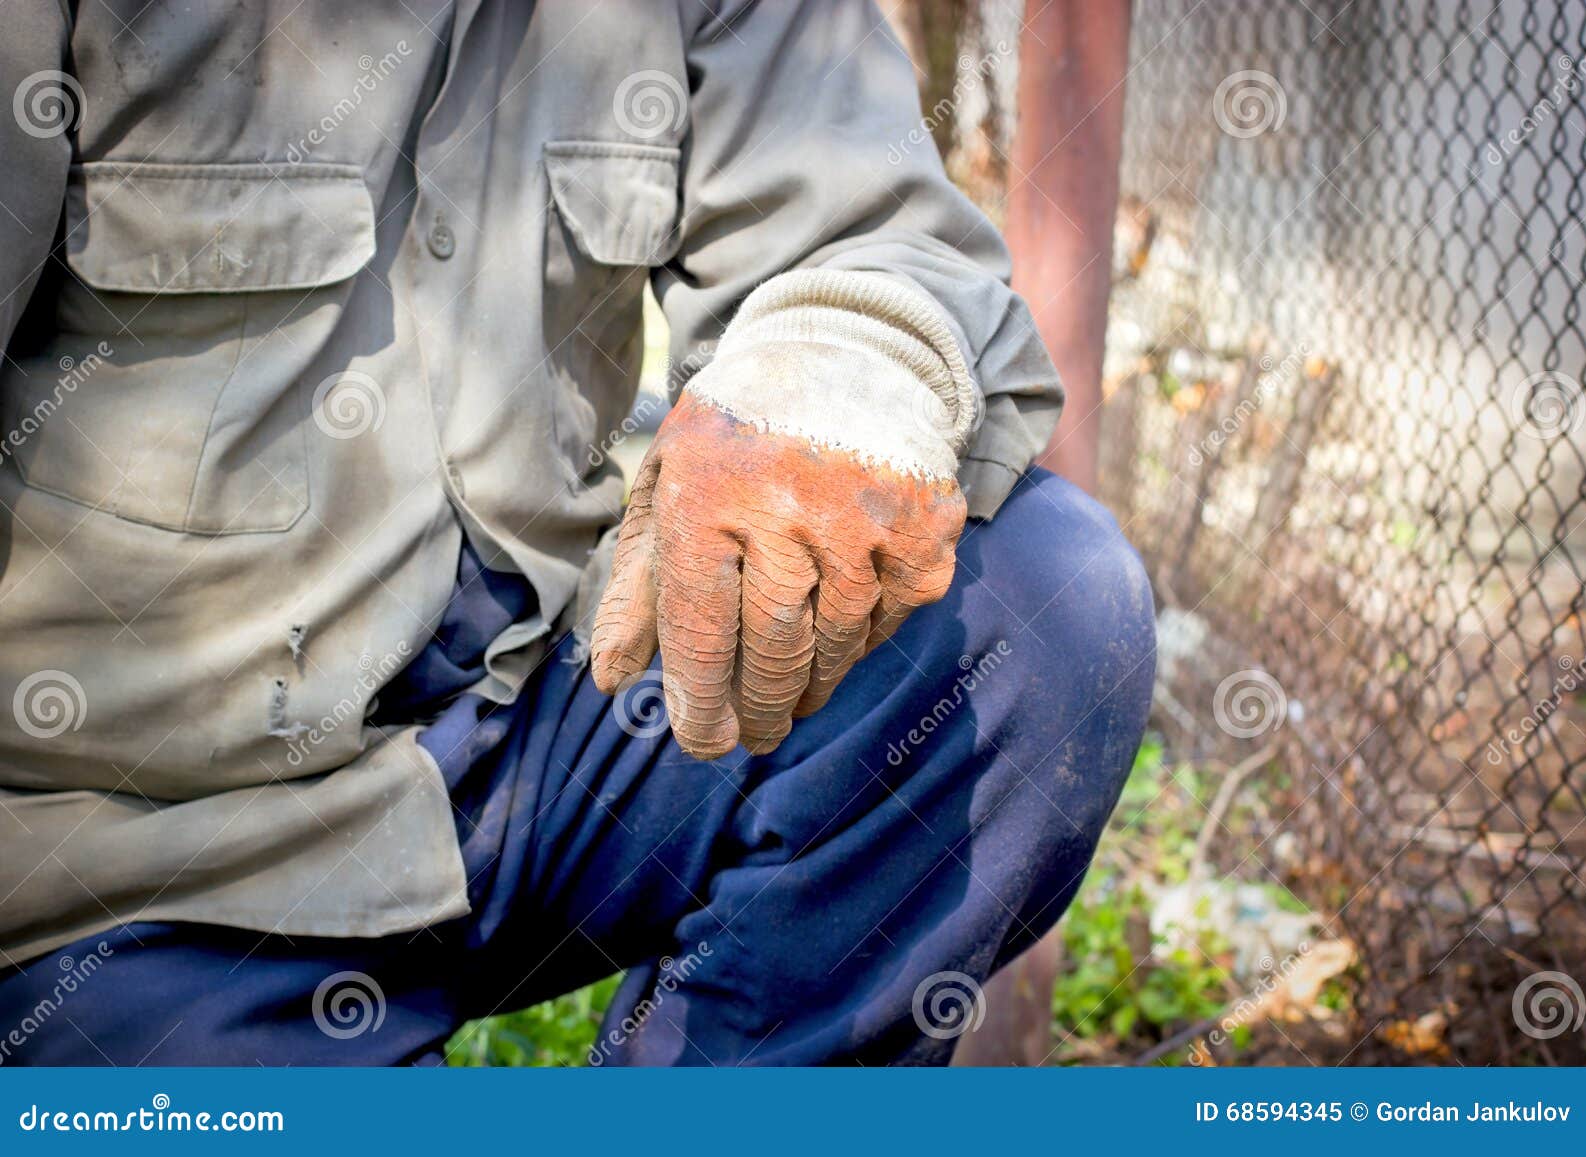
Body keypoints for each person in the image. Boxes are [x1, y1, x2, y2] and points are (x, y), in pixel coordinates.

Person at [0, 0, 1154, 1065]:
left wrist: (830, 373)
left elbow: (866, 232)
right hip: (153, 861)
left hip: (526, 722)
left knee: (1034, 608)